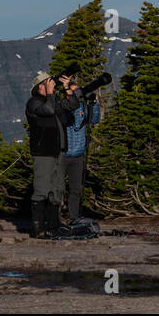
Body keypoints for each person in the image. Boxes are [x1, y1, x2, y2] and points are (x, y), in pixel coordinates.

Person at [24, 68, 80, 239]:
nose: (51, 85)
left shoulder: (53, 100)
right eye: (47, 83)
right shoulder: (33, 103)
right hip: (43, 152)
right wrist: (49, 94)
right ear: (39, 87)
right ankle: (38, 228)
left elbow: (72, 106)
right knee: (42, 188)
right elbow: (47, 110)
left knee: (57, 189)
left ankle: (54, 225)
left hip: (58, 151)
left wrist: (67, 88)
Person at [61, 80, 102, 223]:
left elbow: (94, 120)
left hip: (78, 155)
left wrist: (93, 102)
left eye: (78, 91)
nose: (76, 94)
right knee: (57, 189)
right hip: (63, 155)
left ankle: (74, 217)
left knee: (75, 190)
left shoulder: (82, 107)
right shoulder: (62, 107)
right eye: (73, 91)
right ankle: (54, 218)